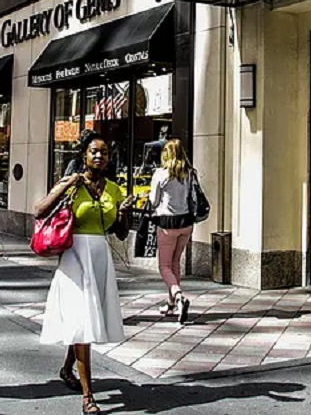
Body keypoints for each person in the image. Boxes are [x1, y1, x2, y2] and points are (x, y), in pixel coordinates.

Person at [35, 135, 134, 414]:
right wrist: (66, 185)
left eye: (104, 152)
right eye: (94, 152)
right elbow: (39, 210)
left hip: (100, 256)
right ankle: (88, 396)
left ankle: (67, 368)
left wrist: (124, 213)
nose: (99, 156)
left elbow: (121, 233)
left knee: (87, 320)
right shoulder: (72, 185)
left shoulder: (113, 189)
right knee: (83, 318)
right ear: (84, 156)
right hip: (75, 256)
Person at [147, 138, 195, 324]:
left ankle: (178, 295)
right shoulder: (189, 173)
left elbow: (153, 201)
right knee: (175, 262)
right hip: (186, 224)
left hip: (167, 224)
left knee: (164, 266)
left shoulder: (160, 174)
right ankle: (171, 303)